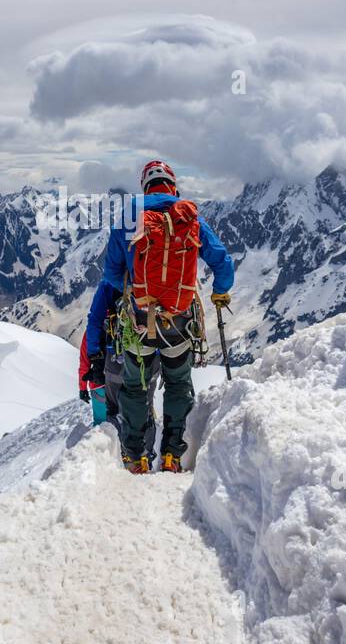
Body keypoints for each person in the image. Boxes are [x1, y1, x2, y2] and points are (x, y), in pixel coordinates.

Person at [90, 160, 234, 474]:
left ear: (145, 185)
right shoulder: (188, 214)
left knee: (134, 388)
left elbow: (111, 273)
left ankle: (136, 457)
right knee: (178, 384)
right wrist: (220, 292)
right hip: (180, 320)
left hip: (138, 319)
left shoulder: (130, 215)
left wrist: (134, 290)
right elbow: (222, 261)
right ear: (172, 184)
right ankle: (172, 454)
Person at [82, 280, 160, 461]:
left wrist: (95, 356)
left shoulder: (112, 281)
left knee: (114, 407)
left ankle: (121, 456)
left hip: (117, 356)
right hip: (150, 356)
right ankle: (144, 456)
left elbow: (94, 320)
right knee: (145, 406)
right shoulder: (155, 276)